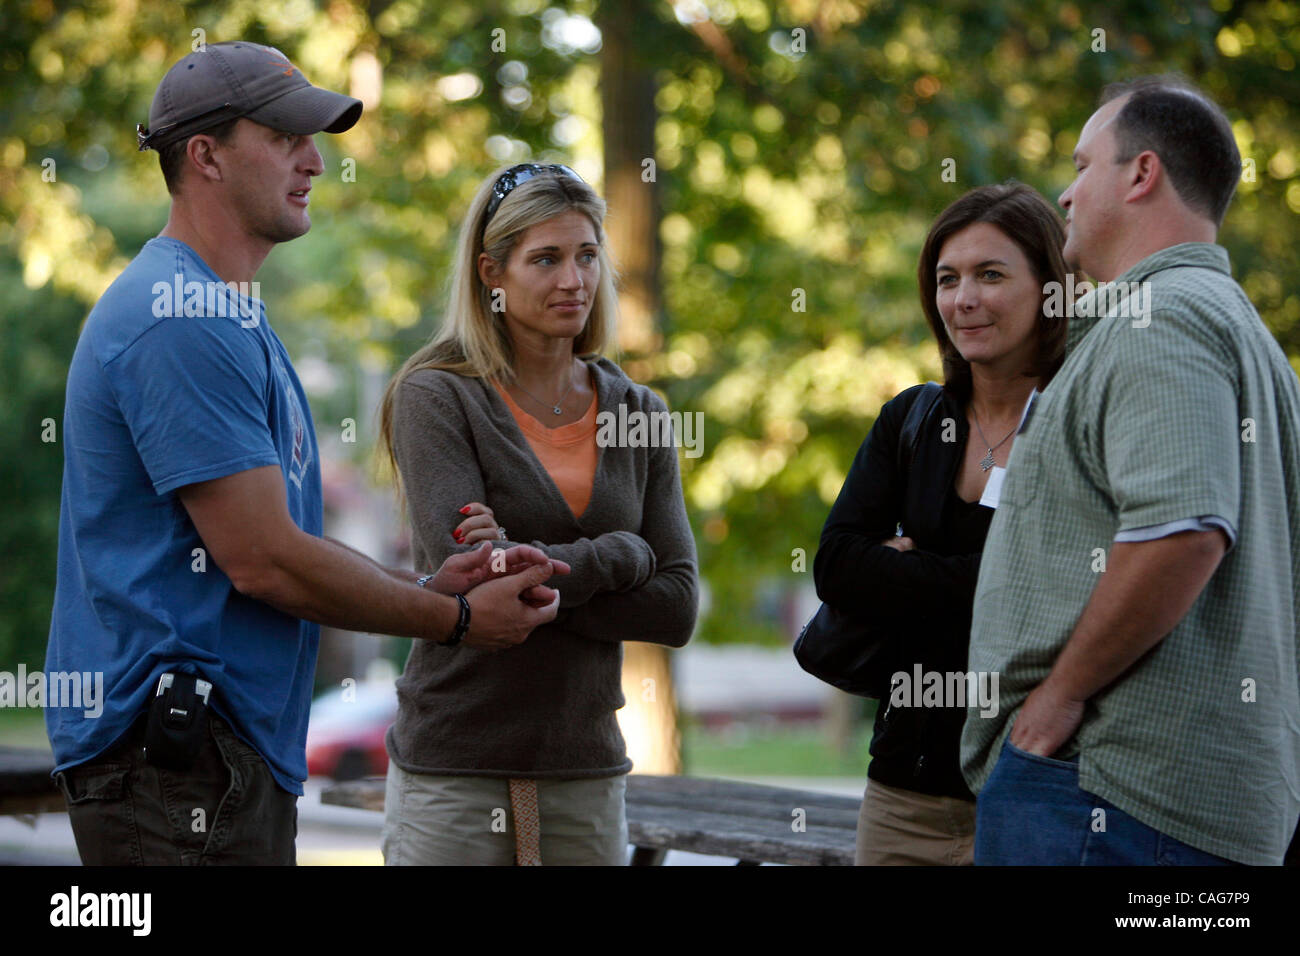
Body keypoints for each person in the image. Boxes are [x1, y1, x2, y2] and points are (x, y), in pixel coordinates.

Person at [45, 42, 565, 866]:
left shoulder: (229, 315)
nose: (316, 162)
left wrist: (425, 585)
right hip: (175, 768)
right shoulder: (177, 318)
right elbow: (264, 563)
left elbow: (282, 551)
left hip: (212, 761)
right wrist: (457, 620)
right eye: (285, 137)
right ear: (206, 156)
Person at [961, 75, 1300, 866]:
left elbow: (1181, 533)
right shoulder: (1247, 335)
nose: (1066, 193)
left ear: (1141, 174)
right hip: (1176, 803)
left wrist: (1053, 706)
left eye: (1083, 165)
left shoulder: (1162, 318)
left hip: (1109, 795)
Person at [377, 162, 699, 866]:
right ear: (492, 272)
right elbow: (474, 583)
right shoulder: (437, 396)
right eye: (545, 259)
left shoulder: (639, 413)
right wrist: (623, 555)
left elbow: (675, 608)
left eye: (587, 256)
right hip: (455, 765)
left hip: (584, 765)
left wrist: (531, 567)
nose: (572, 281)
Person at [813, 183, 1068, 865]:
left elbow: (1063, 592)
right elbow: (836, 564)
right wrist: (988, 578)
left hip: (1036, 792)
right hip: (903, 794)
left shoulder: (1078, 422)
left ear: (1050, 287)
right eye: (948, 279)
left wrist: (900, 566)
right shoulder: (914, 419)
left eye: (991, 275)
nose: (964, 299)